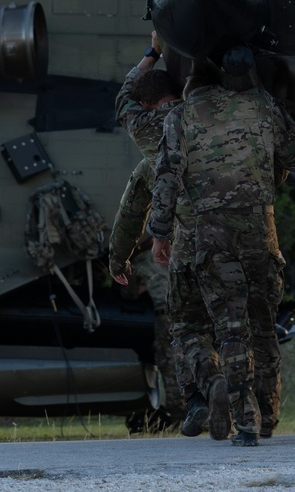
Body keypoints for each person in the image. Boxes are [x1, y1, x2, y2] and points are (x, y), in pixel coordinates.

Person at [149, 47, 295, 446]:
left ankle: (246, 422)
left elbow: (166, 177)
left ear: (188, 85)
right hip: (259, 227)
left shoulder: (180, 117)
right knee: (263, 325)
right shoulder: (261, 105)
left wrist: (161, 231)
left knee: (230, 327)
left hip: (212, 232)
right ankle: (268, 415)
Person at [108, 31, 191, 430]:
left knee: (183, 338)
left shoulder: (143, 126)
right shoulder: (202, 116)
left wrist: (153, 51)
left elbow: (125, 94)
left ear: (145, 105)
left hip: (179, 251)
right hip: (228, 238)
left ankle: (193, 409)